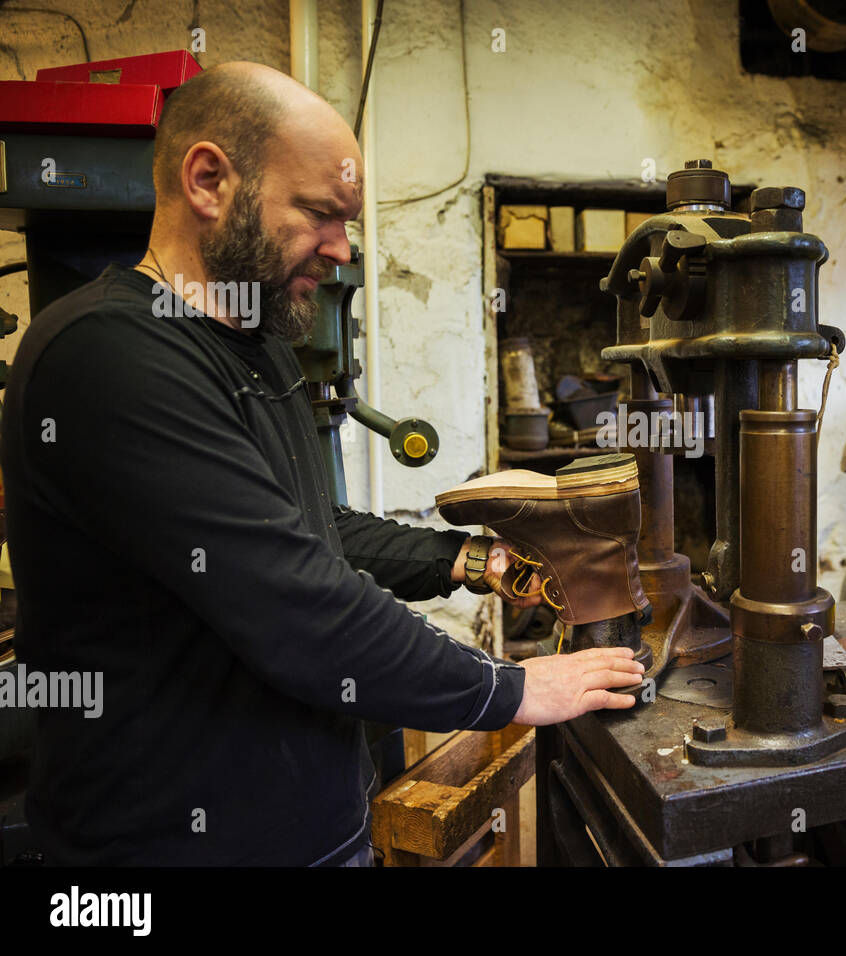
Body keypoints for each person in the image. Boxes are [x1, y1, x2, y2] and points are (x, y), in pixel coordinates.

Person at [0, 62, 643, 866]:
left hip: (316, 836)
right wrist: (510, 689)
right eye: (319, 214)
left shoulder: (259, 345)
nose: (342, 249)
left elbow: (310, 526)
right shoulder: (108, 355)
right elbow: (298, 605)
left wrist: (473, 560)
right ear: (209, 181)